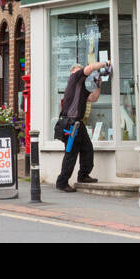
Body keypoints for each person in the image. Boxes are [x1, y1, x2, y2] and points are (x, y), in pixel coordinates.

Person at [56, 61, 107, 192]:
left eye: (80, 70)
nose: (81, 72)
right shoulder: (74, 78)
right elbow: (89, 68)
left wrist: (98, 84)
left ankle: (83, 176)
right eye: (78, 70)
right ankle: (62, 182)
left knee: (87, 149)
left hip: (78, 124)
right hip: (69, 123)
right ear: (73, 72)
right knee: (71, 153)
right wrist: (105, 63)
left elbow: (93, 98)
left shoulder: (82, 88)